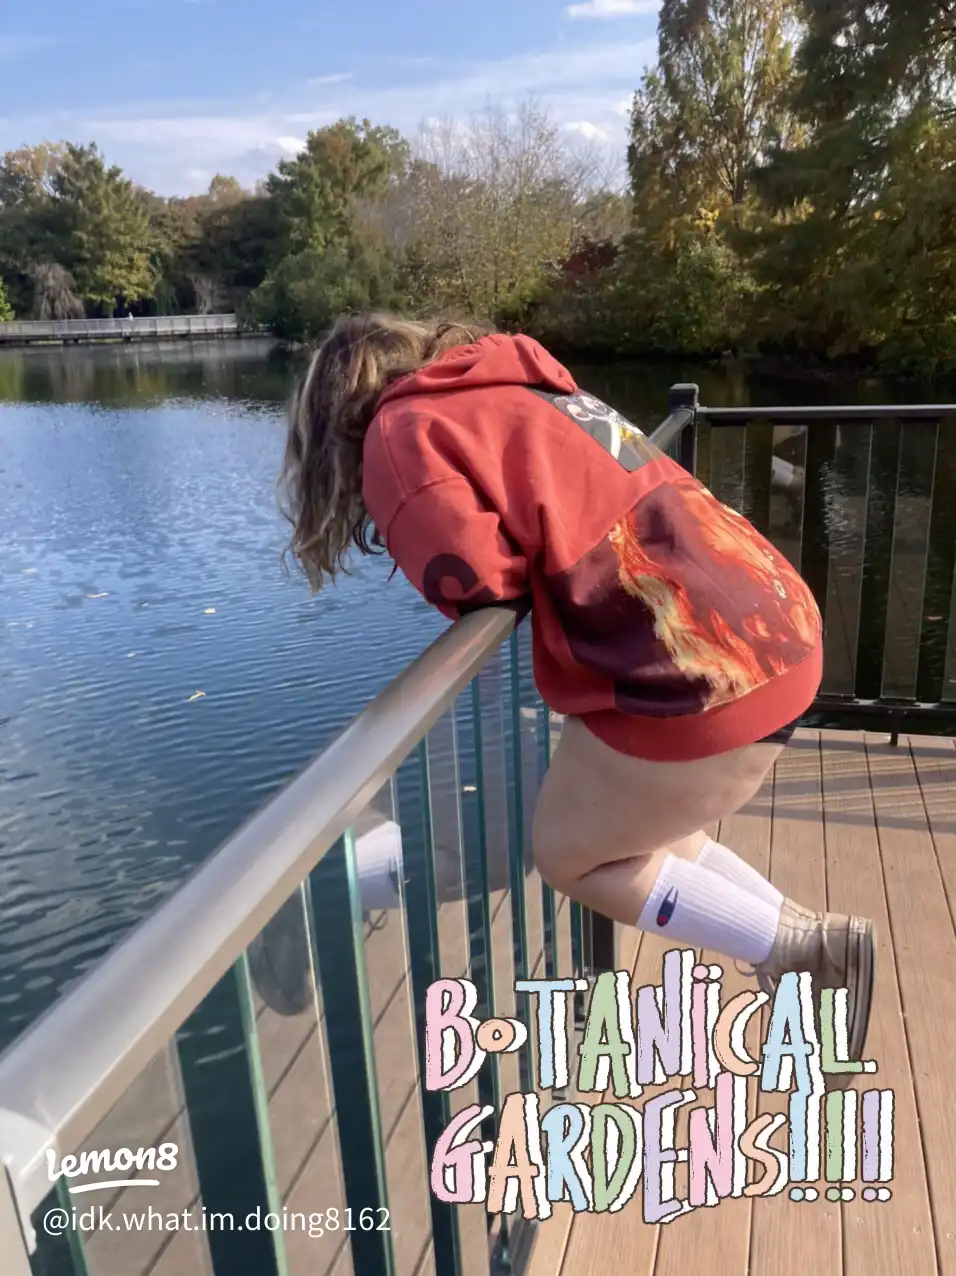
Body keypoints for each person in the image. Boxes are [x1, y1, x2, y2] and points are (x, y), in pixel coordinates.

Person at [278, 312, 876, 1066]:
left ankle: (795, 949)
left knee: (569, 857)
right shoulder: (512, 384)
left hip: (706, 664)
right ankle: (811, 945)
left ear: (333, 413)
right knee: (645, 835)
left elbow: (478, 578)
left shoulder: (402, 433)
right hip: (776, 620)